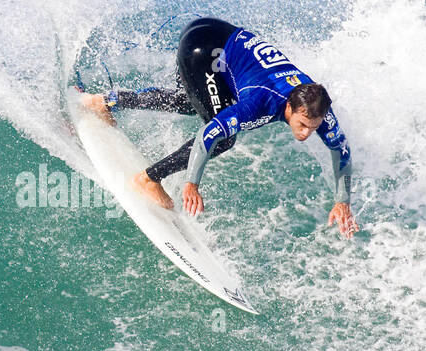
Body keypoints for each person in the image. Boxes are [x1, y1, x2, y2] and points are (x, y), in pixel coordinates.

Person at [81, 16, 357, 238]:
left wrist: (342, 199)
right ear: (290, 107)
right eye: (303, 125)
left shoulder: (316, 105)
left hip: (215, 35)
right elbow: (209, 134)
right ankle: (148, 179)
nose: (307, 132)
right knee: (224, 137)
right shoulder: (260, 102)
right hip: (203, 50)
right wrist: (191, 183)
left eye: (313, 127)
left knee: (192, 102)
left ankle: (105, 102)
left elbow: (341, 150)